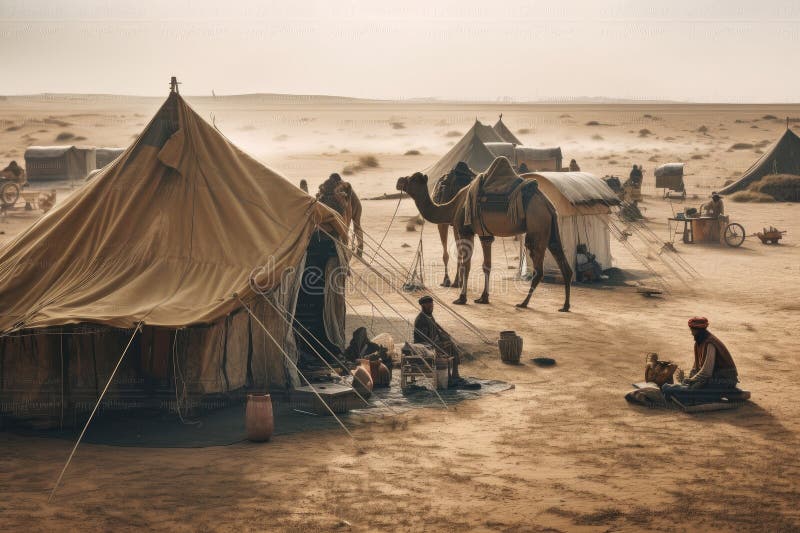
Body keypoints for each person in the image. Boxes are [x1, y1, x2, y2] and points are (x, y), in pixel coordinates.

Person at [662, 317, 739, 401]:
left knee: (689, 391)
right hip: (711, 379)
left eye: (693, 331)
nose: (692, 333)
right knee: (689, 388)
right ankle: (673, 389)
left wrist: (691, 380)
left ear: (699, 330)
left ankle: (668, 388)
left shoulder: (710, 343)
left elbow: (706, 372)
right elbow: (695, 368)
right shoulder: (698, 343)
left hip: (724, 380)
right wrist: (690, 379)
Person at [413, 295, 480, 389]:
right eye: (429, 305)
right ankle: (450, 377)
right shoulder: (421, 319)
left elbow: (436, 329)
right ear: (423, 305)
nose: (431, 306)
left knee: (450, 344)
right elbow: (424, 338)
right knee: (447, 347)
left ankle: (455, 375)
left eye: (432, 305)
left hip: (432, 343)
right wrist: (438, 345)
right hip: (424, 346)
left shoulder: (429, 316)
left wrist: (444, 337)